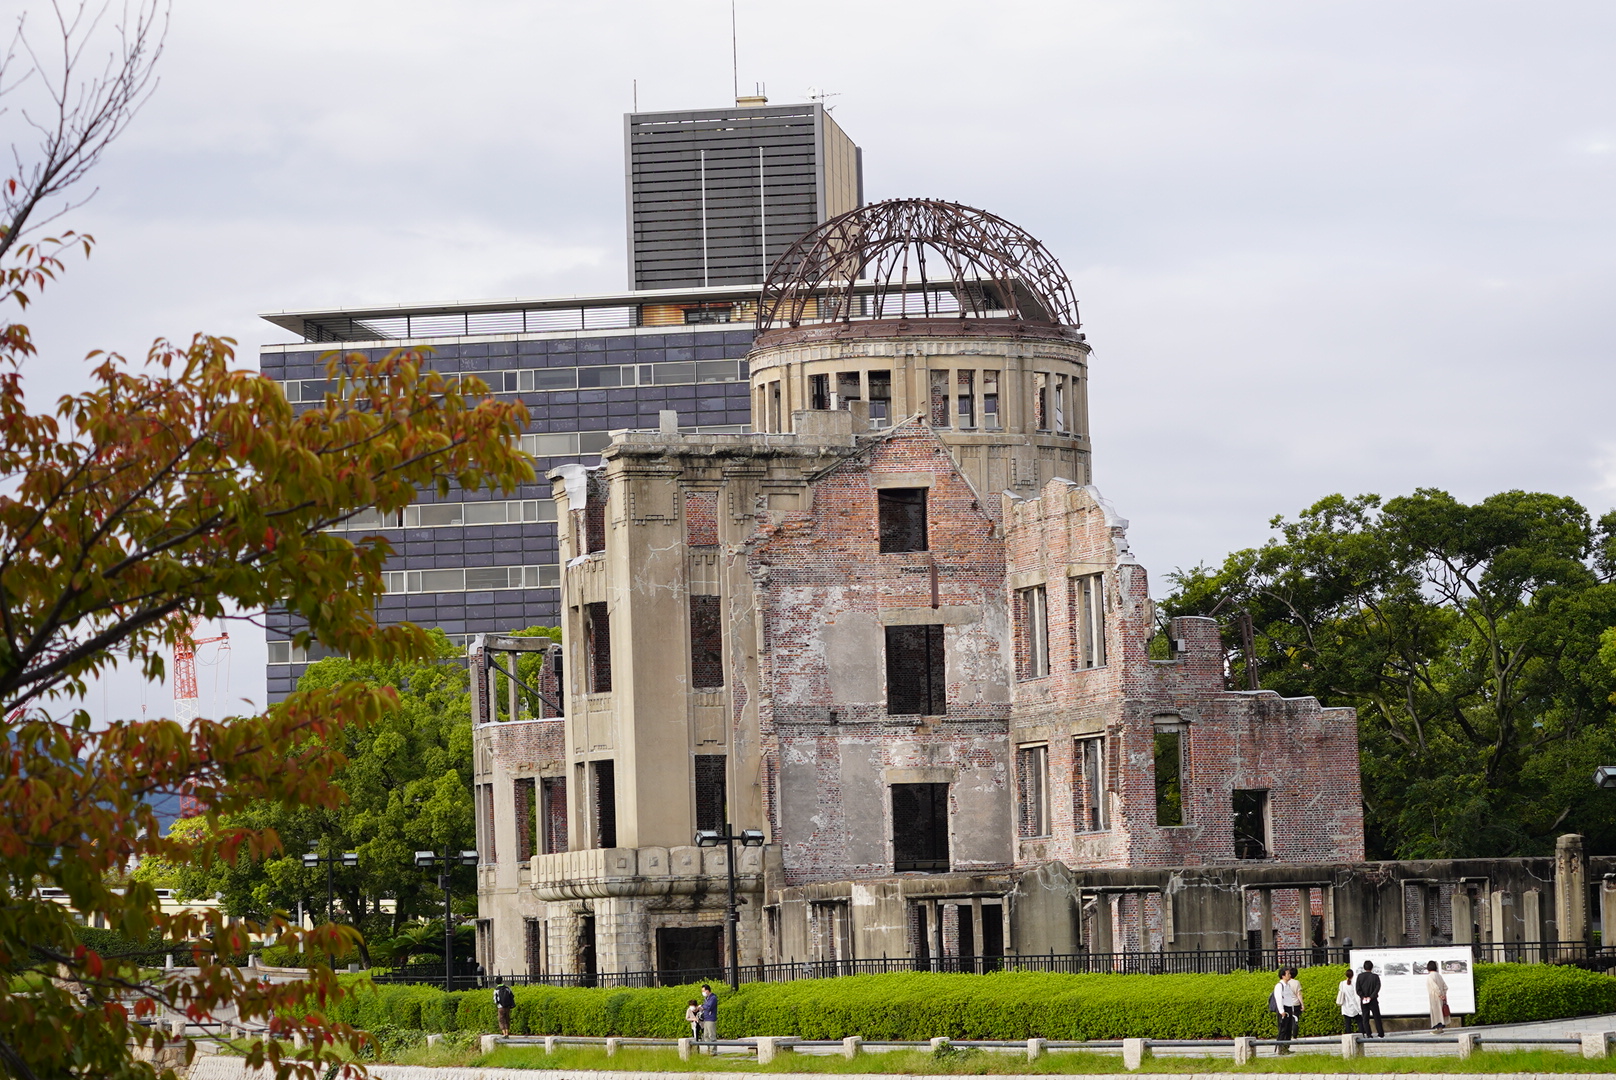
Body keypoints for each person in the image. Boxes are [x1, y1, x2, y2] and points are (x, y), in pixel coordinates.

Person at [1270, 967, 1304, 1053]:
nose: (1289, 975)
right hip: (1283, 1009)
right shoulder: (1279, 986)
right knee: (1283, 1029)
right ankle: (1281, 1049)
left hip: (1289, 1008)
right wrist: (1281, 1011)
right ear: (1283, 976)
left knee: (1289, 1029)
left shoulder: (1288, 985)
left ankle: (1286, 1048)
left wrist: (1291, 1009)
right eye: (1288, 974)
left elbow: (1289, 999)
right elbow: (1279, 999)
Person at [1355, 960, 1385, 1038]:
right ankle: (1380, 1034)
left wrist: (1362, 996)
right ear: (1372, 967)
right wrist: (1371, 996)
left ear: (1364, 967)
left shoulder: (1360, 976)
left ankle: (1368, 1034)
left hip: (1363, 1000)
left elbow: (1357, 988)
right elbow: (1377, 987)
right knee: (1377, 1017)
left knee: (1365, 1018)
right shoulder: (1375, 977)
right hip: (1373, 1000)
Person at [1334, 966, 1362, 1034]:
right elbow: (1356, 996)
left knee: (1347, 1022)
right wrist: (1359, 1007)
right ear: (1353, 975)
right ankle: (1362, 1034)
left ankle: (1348, 1035)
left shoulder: (1342, 983)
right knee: (1359, 1021)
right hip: (1354, 1005)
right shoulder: (1354, 984)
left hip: (1345, 1005)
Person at [1426, 960, 1449, 1033]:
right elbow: (1445, 986)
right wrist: (1443, 994)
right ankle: (1441, 1027)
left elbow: (1434, 987)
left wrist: (1440, 995)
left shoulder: (1430, 976)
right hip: (1442, 997)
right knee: (1441, 1011)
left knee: (1436, 1012)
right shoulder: (1439, 975)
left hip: (1435, 997)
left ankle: (1438, 1027)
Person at [698, 983, 719, 1052]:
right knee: (706, 1036)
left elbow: (709, 1007)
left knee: (711, 1035)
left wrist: (702, 1007)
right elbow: (705, 1005)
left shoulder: (713, 998)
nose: (703, 993)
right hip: (706, 1019)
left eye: (703, 991)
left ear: (708, 990)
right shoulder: (707, 998)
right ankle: (709, 1049)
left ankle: (713, 1050)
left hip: (711, 1019)